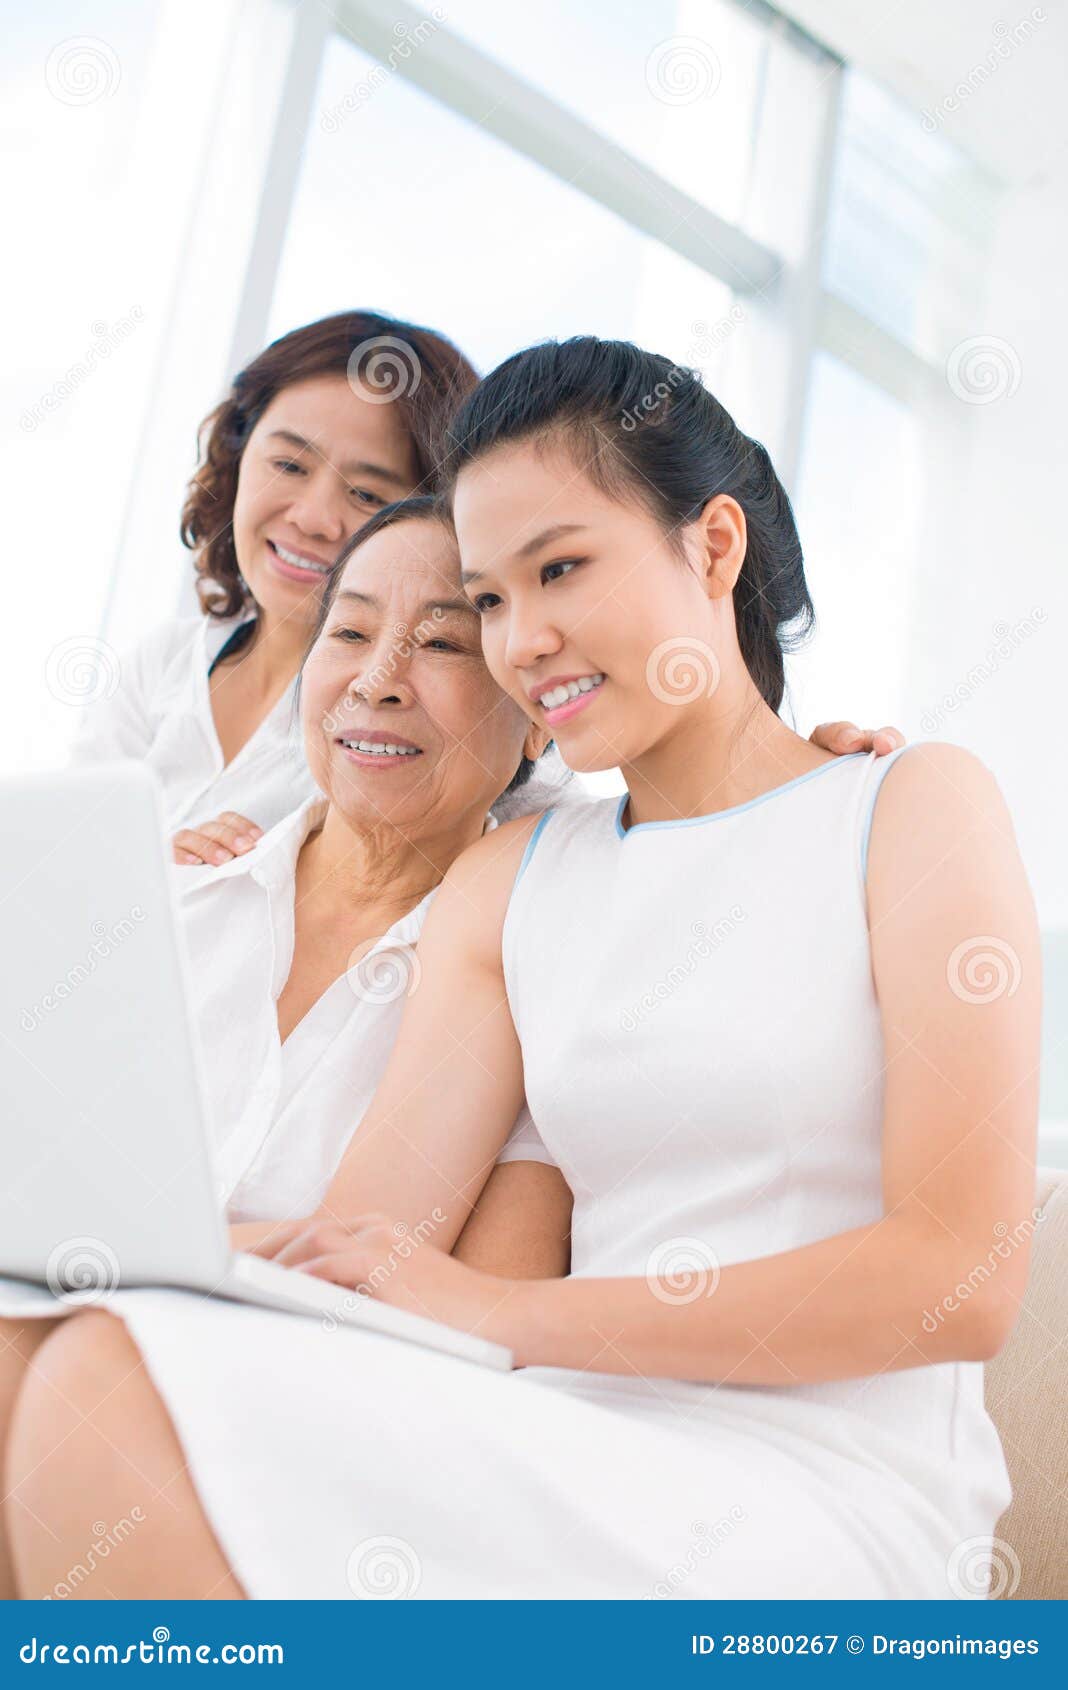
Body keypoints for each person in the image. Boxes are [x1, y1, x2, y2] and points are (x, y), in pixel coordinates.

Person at [7, 343, 958, 1602]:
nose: (526, 640)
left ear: (713, 548)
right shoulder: (516, 881)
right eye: (494, 601)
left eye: (555, 571)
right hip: (551, 1431)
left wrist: (506, 1316)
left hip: (801, 1483)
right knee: (73, 1362)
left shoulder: (908, 802)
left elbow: (957, 1279)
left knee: (105, 1378)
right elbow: (368, 1255)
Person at [0, 498, 569, 1600]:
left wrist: (194, 1252)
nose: (378, 677)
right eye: (348, 632)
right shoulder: (170, 898)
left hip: (315, 1413)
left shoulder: (532, 959)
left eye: (443, 641)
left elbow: (496, 1315)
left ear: (537, 713)